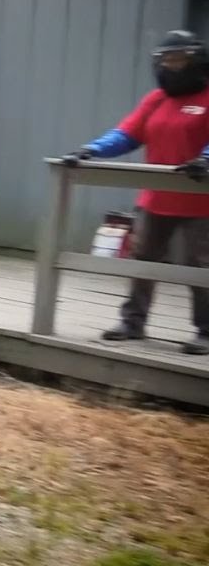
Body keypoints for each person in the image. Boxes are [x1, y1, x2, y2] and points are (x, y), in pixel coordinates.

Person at [60, 29, 209, 356]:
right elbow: (127, 133)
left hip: (201, 203)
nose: (172, 66)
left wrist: (205, 159)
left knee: (199, 266)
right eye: (166, 60)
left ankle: (205, 331)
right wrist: (91, 150)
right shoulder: (156, 99)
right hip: (156, 198)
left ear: (196, 60)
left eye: (179, 59)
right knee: (142, 260)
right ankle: (133, 322)